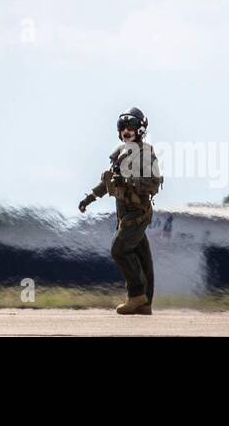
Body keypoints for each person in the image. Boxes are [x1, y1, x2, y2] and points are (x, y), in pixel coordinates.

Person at [79, 108, 163, 315]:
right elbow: (108, 181)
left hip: (137, 212)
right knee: (142, 257)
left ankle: (136, 296)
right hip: (124, 213)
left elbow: (152, 183)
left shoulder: (145, 153)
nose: (126, 131)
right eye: (123, 127)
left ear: (140, 130)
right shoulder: (120, 153)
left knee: (119, 250)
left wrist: (128, 181)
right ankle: (145, 304)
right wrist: (89, 198)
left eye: (131, 127)